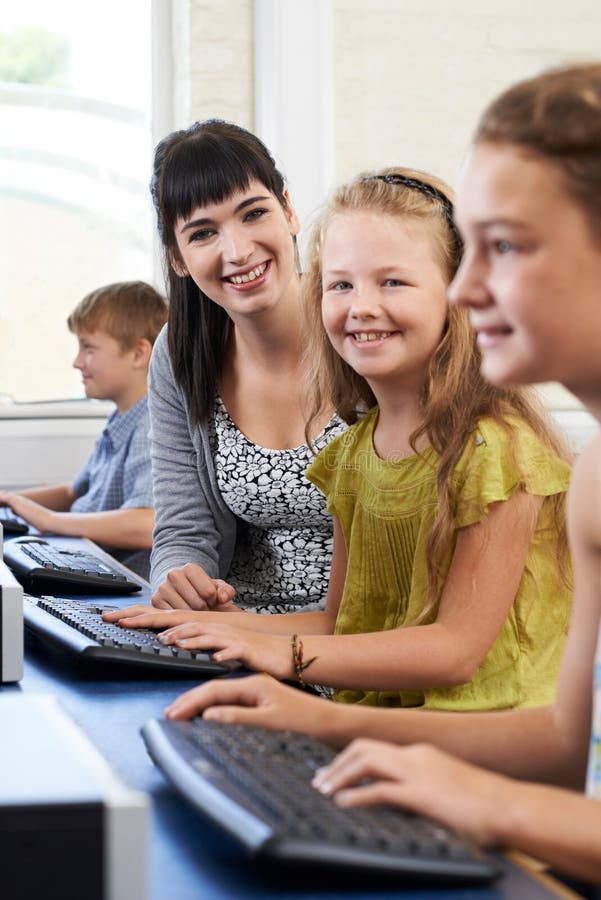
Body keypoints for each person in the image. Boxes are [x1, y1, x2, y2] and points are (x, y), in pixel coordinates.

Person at [162, 63, 601, 884]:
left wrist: (295, 674)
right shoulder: (584, 476)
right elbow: (560, 746)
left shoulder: (507, 451)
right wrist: (246, 650)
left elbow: (466, 663)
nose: (470, 286)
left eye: (506, 246)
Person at [107, 166, 572, 711]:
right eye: (341, 285)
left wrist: (286, 656)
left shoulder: (498, 450)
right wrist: (220, 624)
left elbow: (454, 652)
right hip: (386, 715)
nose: (361, 306)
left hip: (483, 731)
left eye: (392, 282)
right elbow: (341, 622)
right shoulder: (351, 454)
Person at [145, 119, 346, 614]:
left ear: (289, 210)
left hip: (357, 634)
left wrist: (267, 639)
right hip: (233, 628)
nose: (236, 252)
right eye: (203, 233)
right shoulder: (180, 352)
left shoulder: (358, 321)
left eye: (253, 213)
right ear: (177, 258)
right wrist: (179, 581)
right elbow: (183, 529)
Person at [0, 280, 167, 579]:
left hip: (124, 579)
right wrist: (9, 499)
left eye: (88, 348)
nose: (77, 362)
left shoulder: (152, 425)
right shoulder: (122, 419)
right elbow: (72, 492)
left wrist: (49, 520)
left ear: (138, 354)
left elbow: (148, 524)